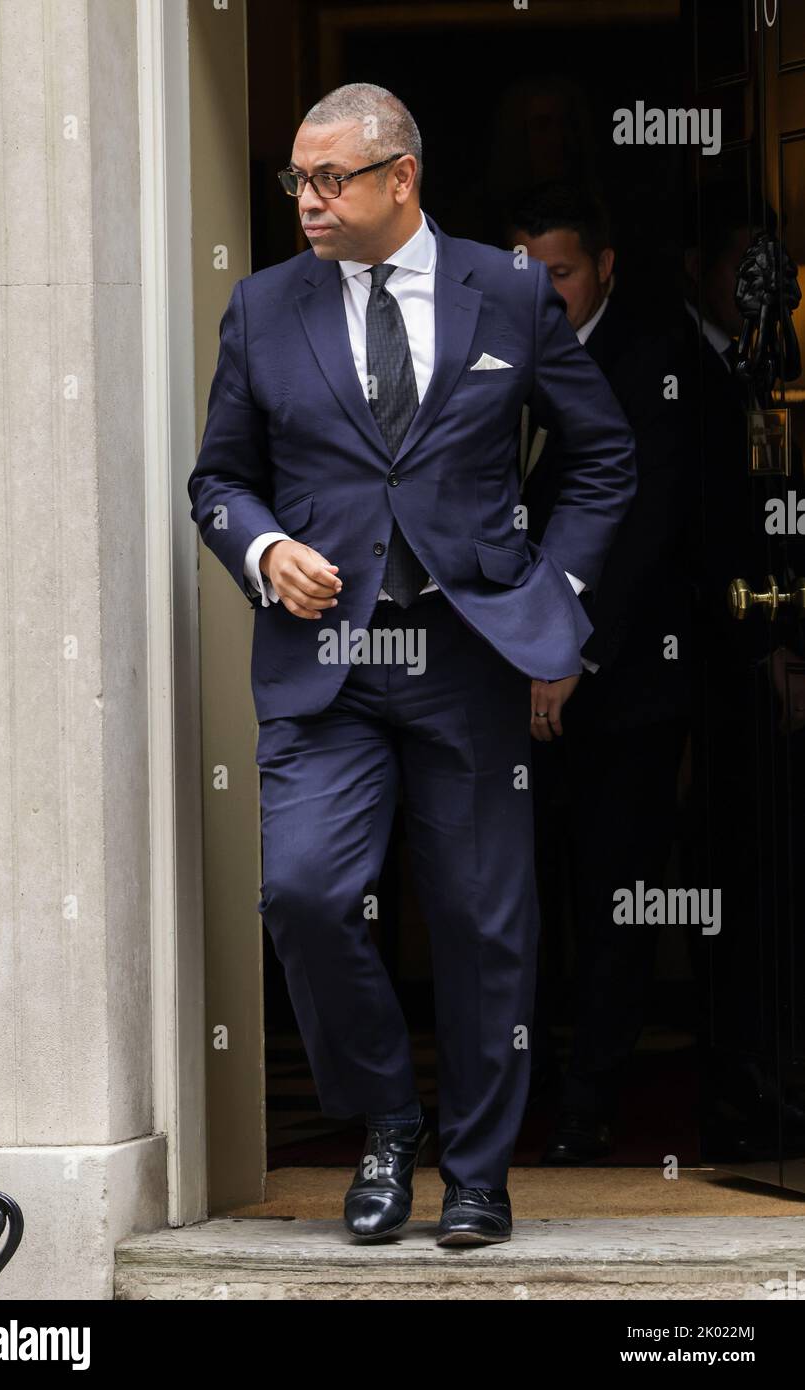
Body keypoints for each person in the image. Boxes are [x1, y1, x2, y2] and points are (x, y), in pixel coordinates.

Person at [188, 84, 635, 1245]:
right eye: (297, 178)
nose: (307, 201)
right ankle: (387, 1121)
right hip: (322, 663)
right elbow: (217, 480)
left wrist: (559, 606)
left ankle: (477, 1171)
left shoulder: (508, 290)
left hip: (469, 651)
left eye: (330, 178)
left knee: (486, 922)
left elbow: (601, 459)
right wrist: (266, 546)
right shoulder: (263, 307)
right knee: (304, 892)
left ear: (402, 178)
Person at [511, 182, 692, 1161]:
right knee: (520, 902)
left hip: (623, 686)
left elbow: (641, 532)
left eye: (562, 272)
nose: (543, 293)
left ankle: (588, 1107)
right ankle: (524, 1095)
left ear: (604, 268)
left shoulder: (649, 365)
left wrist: (567, 653)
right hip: (509, 695)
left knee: (614, 904)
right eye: (524, 274)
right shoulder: (492, 362)